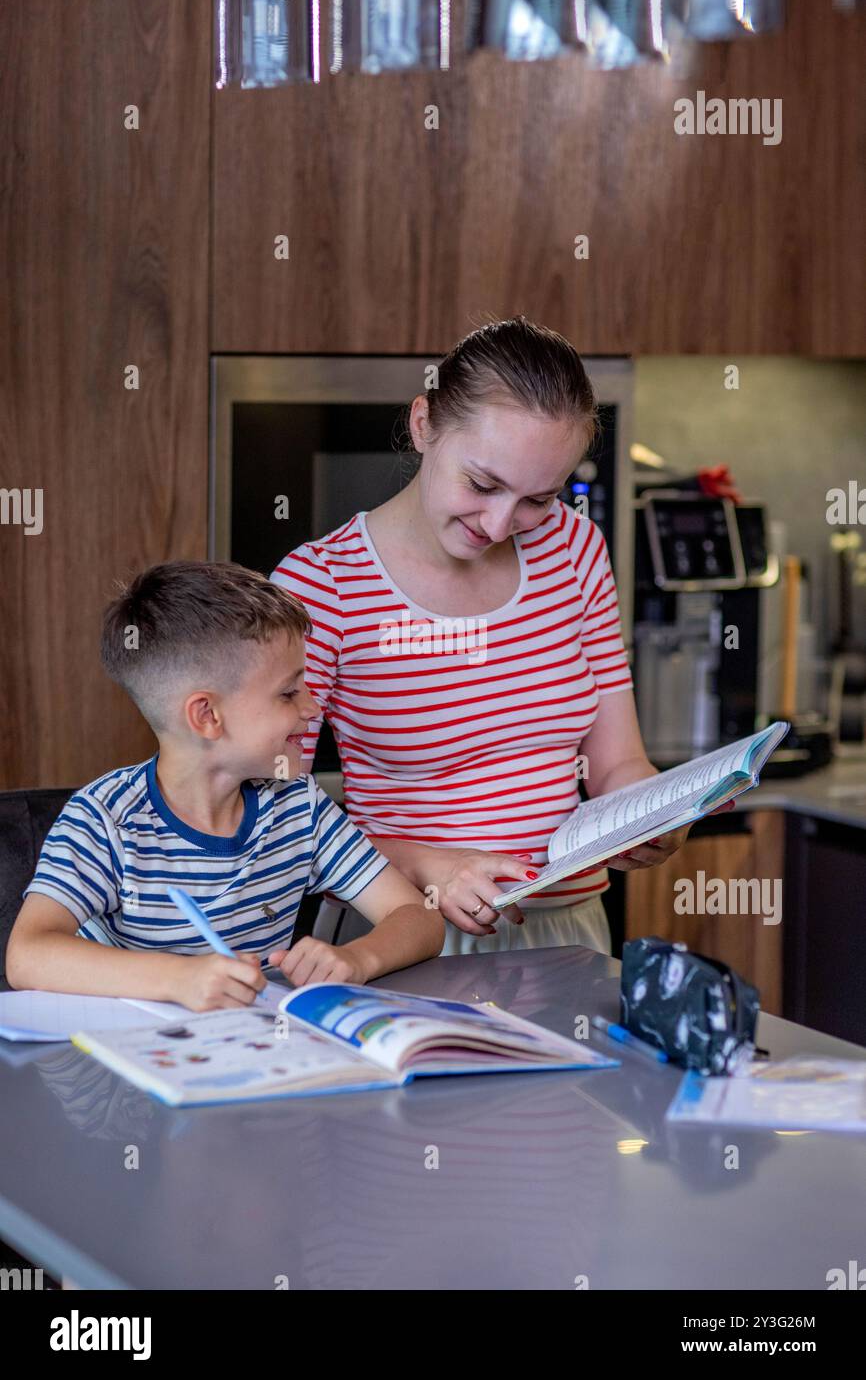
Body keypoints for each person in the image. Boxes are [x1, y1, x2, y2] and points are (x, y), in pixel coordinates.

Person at [272, 316, 731, 956]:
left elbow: (616, 761)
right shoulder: (324, 584)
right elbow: (274, 814)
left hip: (570, 933)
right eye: (483, 484)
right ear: (423, 424)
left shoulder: (575, 549)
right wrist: (430, 865)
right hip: (404, 938)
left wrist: (652, 817)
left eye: (537, 499)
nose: (499, 523)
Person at [6, 561, 444, 1009]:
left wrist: (357, 958)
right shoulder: (105, 819)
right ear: (207, 716)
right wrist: (180, 979)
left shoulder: (299, 806)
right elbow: (27, 955)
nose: (314, 708)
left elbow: (419, 917)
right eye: (289, 693)